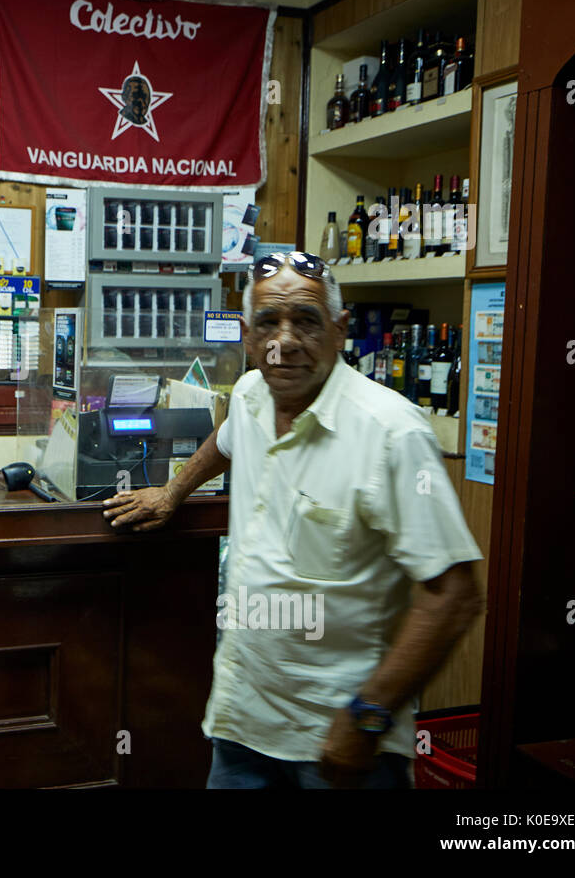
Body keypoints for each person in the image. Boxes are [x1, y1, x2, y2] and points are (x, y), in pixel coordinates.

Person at [102, 250, 482, 788]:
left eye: (305, 320)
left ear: (340, 328)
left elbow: (454, 596)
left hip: (338, 744)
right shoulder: (256, 393)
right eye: (268, 324)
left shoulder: (392, 432)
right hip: (242, 723)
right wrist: (172, 492)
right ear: (247, 335)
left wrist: (366, 718)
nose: (285, 342)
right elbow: (226, 438)